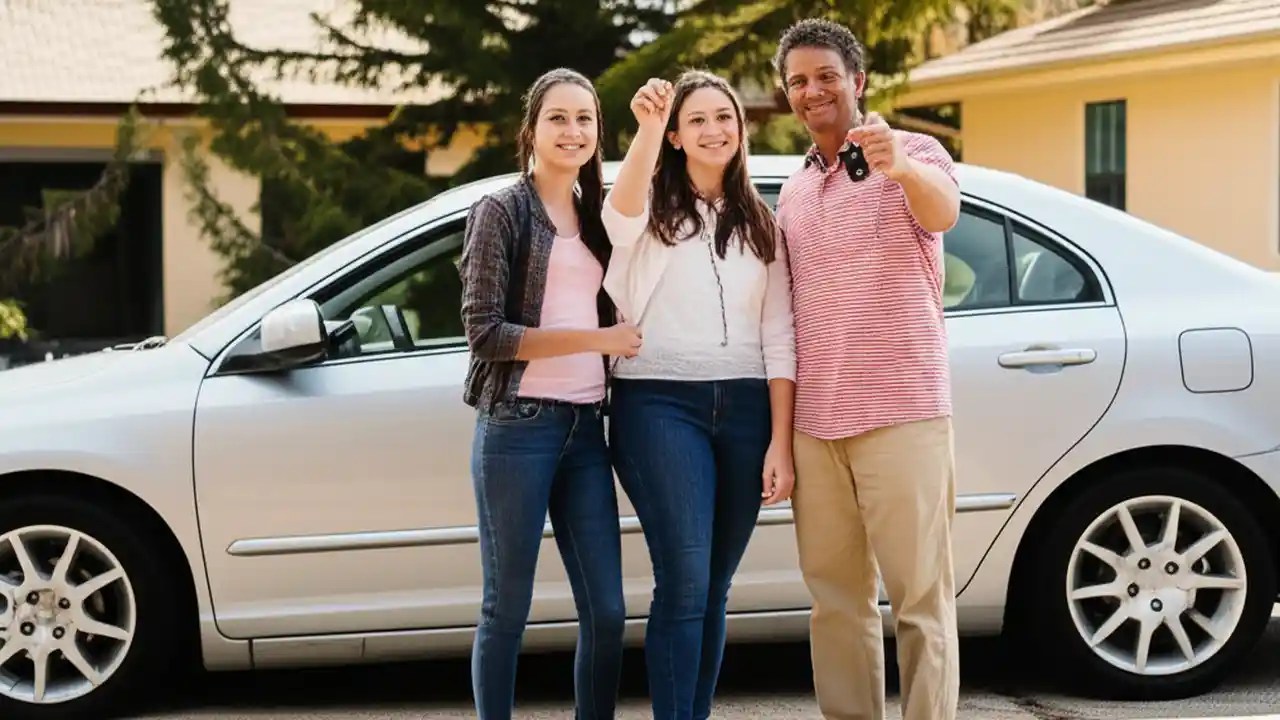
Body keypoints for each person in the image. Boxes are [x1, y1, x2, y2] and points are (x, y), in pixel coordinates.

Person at [771, 18, 964, 720]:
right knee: (836, 602)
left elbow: (944, 214)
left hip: (902, 415)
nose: (812, 90)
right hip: (817, 430)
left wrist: (901, 167)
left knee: (921, 601)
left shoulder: (913, 152)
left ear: (858, 81)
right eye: (798, 81)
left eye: (826, 75)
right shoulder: (792, 191)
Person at [601, 69, 797, 720]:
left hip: (744, 410)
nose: (715, 130)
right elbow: (616, 214)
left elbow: (778, 332)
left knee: (714, 588)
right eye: (699, 121)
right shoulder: (650, 207)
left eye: (725, 117)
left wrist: (780, 441)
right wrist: (649, 129)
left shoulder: (761, 220)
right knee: (684, 581)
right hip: (658, 402)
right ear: (679, 137)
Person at [458, 67, 642, 720]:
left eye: (585, 118)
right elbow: (486, 334)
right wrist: (597, 341)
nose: (573, 131)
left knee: (609, 611)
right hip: (518, 426)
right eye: (558, 118)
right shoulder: (501, 211)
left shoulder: (598, 217)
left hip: (587, 428)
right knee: (506, 607)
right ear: (531, 130)